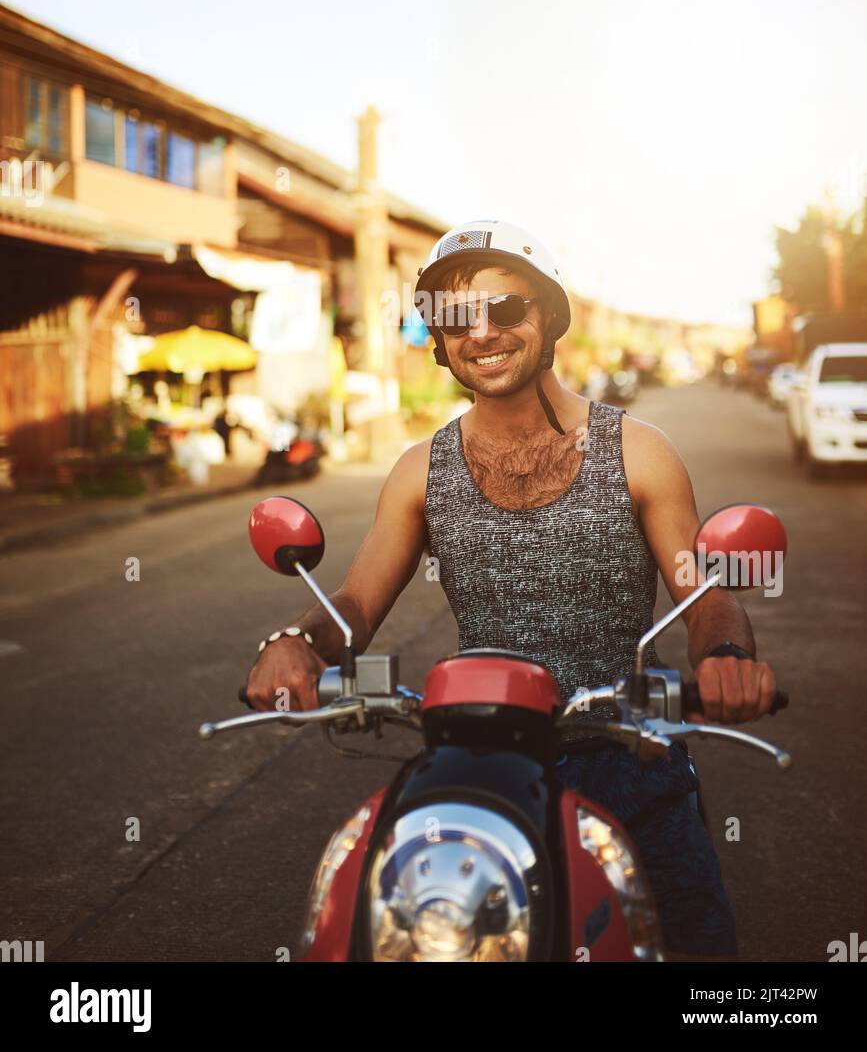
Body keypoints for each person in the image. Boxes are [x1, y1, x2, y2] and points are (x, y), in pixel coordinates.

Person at [244, 219, 780, 959]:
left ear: (548, 318)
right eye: (457, 318)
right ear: (437, 337)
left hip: (629, 753)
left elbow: (702, 592)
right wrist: (296, 643)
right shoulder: (418, 471)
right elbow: (357, 603)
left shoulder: (637, 450)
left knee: (694, 946)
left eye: (506, 310)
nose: (482, 334)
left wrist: (723, 651)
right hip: (476, 760)